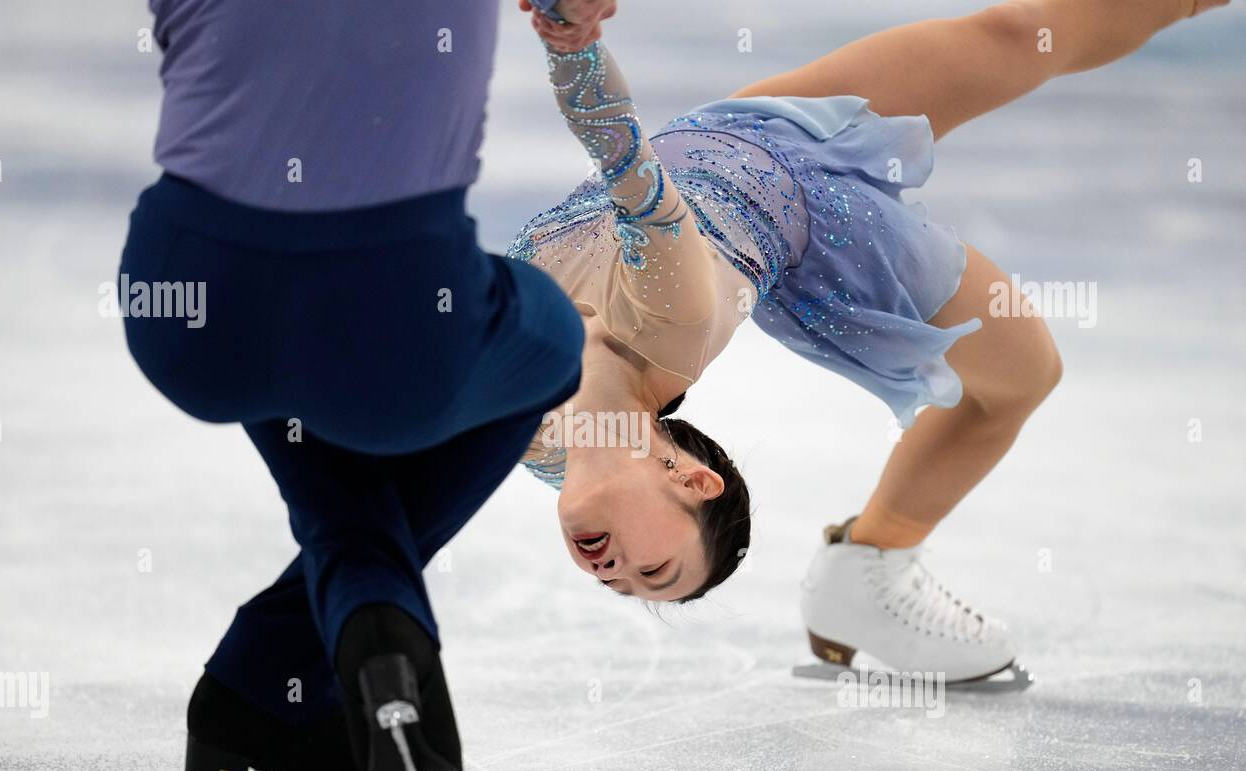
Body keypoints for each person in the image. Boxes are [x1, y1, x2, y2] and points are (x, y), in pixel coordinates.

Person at [513, 0, 1229, 681]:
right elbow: (623, 159)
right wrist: (572, 42)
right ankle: (872, 563)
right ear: (694, 482)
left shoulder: (518, 425)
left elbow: (610, 159)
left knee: (1017, 36)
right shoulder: (672, 323)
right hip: (835, 244)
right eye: (653, 574)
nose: (616, 576)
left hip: (751, 129)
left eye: (635, 582)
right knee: (1024, 376)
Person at [119, 0, 615, 771]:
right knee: (553, 340)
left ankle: (309, 657)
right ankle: (334, 638)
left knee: (298, 356)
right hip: (398, 322)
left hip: (187, 305)